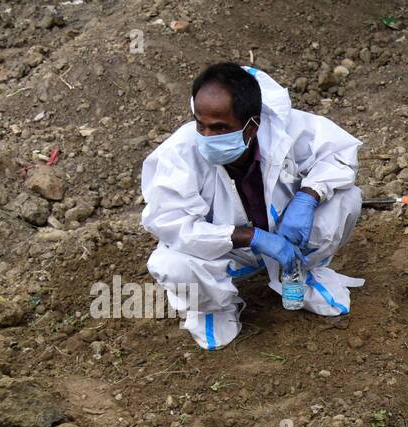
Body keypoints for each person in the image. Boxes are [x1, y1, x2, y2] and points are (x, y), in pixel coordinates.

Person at [140, 63, 364, 350]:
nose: (207, 137)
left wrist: (308, 196)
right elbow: (172, 224)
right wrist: (250, 236)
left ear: (253, 124)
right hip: (225, 252)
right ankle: (214, 306)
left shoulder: (285, 129)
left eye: (220, 128)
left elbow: (340, 154)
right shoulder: (179, 154)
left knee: (346, 197)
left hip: (287, 236)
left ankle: (299, 273)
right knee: (170, 263)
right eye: (201, 124)